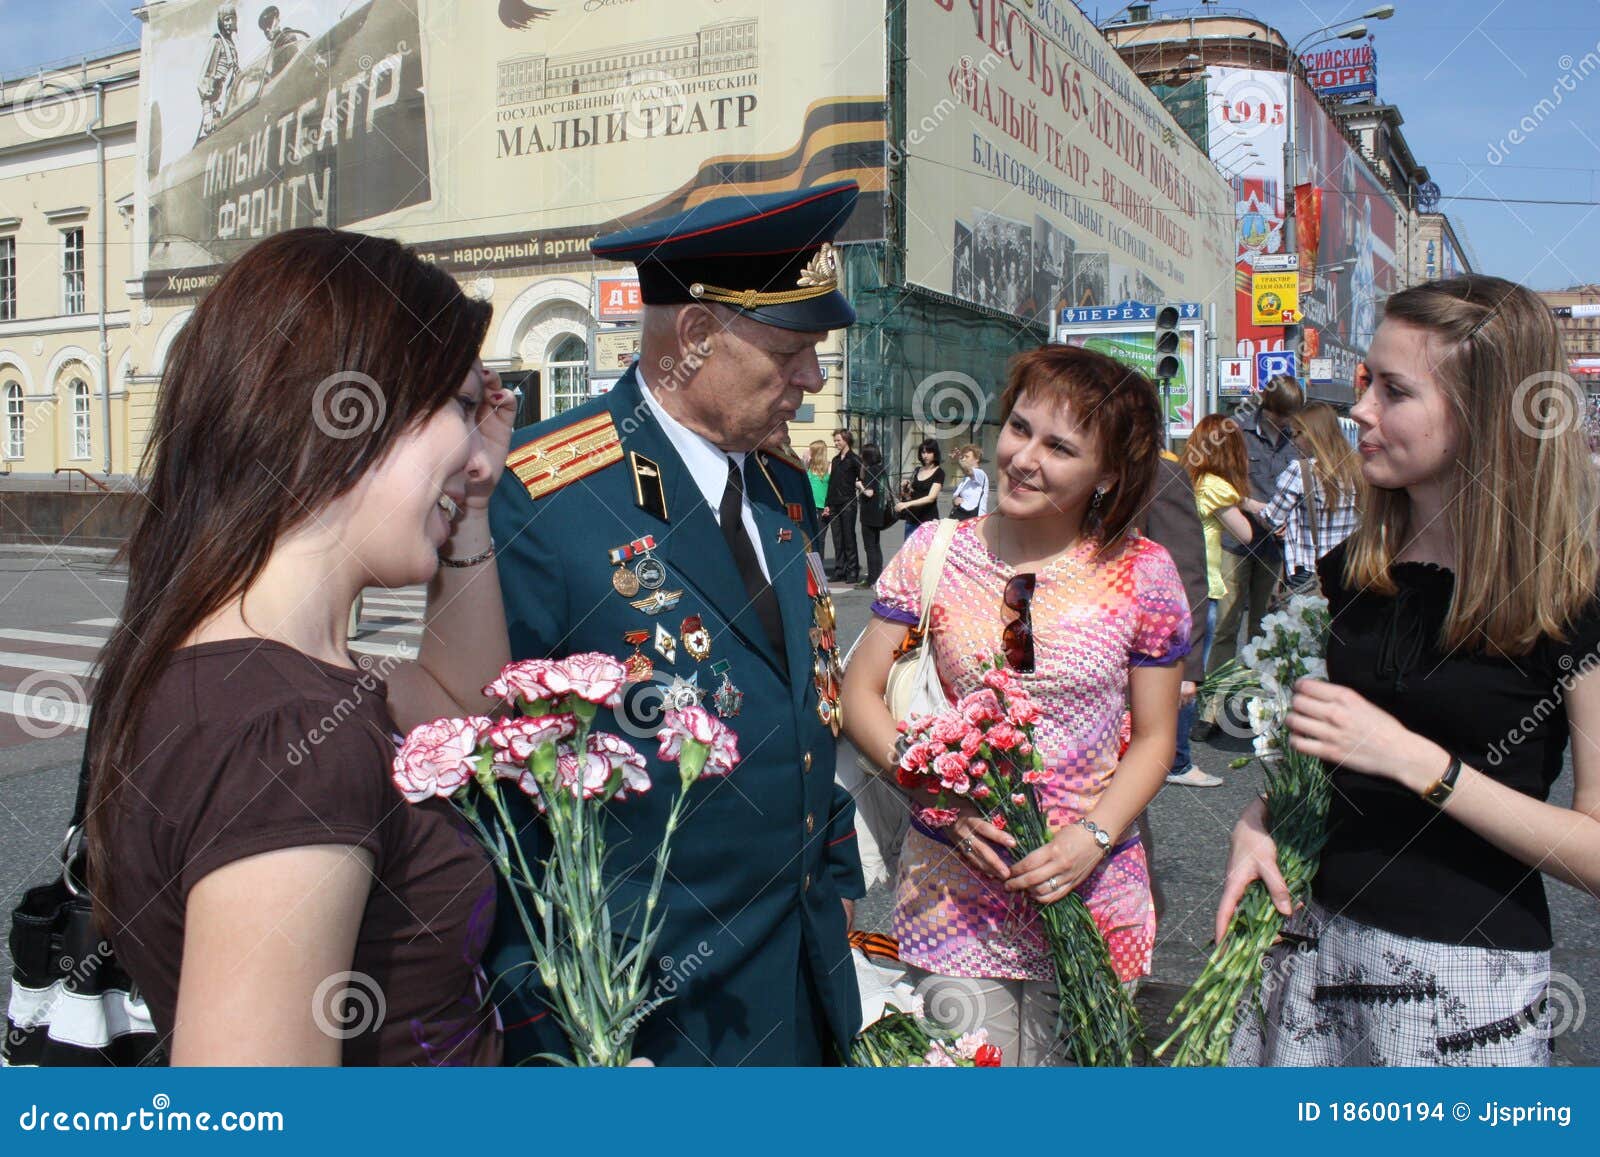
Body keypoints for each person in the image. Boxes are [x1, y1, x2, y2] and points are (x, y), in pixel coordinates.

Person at [86, 228, 514, 1065]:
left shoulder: (247, 670)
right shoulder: (288, 736)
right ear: (356, 410)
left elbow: (464, 704)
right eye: (462, 405)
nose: (475, 450)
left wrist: (475, 504)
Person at [475, 181, 867, 1066]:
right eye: (789, 351)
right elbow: (503, 795)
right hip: (654, 1022)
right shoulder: (547, 495)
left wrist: (835, 878)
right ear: (694, 338)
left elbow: (806, 705)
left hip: (803, 986)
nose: (810, 378)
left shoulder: (776, 489)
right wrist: (548, 1030)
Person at [1220, 274, 1600, 1066]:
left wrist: (1420, 762)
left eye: (1394, 390)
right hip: (1311, 951)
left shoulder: (1571, 596)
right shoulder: (1349, 572)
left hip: (1465, 985)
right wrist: (1263, 818)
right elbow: (1328, 766)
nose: (1360, 411)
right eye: (1366, 382)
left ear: (1486, 415)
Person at [841, 345, 1190, 1065]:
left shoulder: (1143, 573)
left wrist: (1091, 837)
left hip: (1090, 890)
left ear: (1109, 475)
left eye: (1060, 446)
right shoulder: (934, 550)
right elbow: (859, 692)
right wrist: (936, 799)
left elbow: (1156, 739)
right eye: (1019, 427)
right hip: (953, 888)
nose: (1024, 457)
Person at [1180, 415, 1255, 783]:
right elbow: (1243, 533)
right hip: (1204, 586)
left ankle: (1165, 754)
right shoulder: (1216, 486)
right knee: (1191, 676)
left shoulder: (1186, 479)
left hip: (1177, 584)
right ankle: (1179, 760)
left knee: (1171, 671)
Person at [1209, 375, 1302, 675]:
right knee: (1226, 624)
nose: (1286, 421)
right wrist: (1253, 506)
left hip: (1273, 547)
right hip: (1236, 543)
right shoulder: (1237, 432)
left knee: (1264, 626)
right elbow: (1218, 483)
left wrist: (1289, 518)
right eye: (1282, 414)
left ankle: (1254, 696)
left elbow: (1300, 487)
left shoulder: (1296, 438)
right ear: (1268, 408)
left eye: (1291, 415)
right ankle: (1215, 702)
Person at [1241, 401, 1362, 590]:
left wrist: (1245, 503)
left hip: (1311, 571)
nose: (1293, 440)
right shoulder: (1358, 467)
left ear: (1312, 434)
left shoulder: (1301, 470)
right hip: (1353, 567)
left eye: (1297, 433)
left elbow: (1272, 518)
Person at [195, 4, 239, 142]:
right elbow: (205, 77)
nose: (229, 23)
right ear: (221, 21)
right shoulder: (217, 42)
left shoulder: (231, 44)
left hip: (229, 102)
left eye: (231, 19)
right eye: (226, 19)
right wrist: (207, 112)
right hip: (217, 104)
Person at [823, 428, 863, 583]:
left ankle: (852, 571)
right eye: (835, 440)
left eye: (838, 440)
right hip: (834, 504)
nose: (836, 443)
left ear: (846, 440)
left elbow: (863, 477)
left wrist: (861, 487)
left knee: (849, 537)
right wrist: (827, 504)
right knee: (837, 538)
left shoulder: (854, 459)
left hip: (848, 503)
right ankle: (839, 569)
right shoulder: (835, 460)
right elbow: (831, 483)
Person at [855, 441, 891, 587]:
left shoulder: (871, 470)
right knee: (876, 545)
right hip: (879, 512)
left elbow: (869, 493)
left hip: (869, 513)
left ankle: (872, 578)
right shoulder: (880, 469)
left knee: (870, 547)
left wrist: (859, 486)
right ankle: (877, 576)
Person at [896, 438, 945, 528]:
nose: (925, 455)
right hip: (911, 519)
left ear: (935, 453)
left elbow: (931, 498)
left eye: (929, 452)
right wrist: (905, 488)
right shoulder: (917, 470)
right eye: (923, 452)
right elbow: (909, 495)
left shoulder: (939, 472)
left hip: (928, 521)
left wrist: (907, 504)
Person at [258, 5, 308, 80]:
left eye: (269, 24)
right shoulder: (274, 48)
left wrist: (270, 77)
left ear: (277, 21)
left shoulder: (286, 35)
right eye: (265, 29)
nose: (267, 30)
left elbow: (289, 65)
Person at [949, 443, 990, 520]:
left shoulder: (981, 474)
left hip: (975, 519)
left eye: (967, 457)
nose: (964, 459)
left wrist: (959, 459)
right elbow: (955, 497)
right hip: (961, 516)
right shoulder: (965, 479)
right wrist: (955, 500)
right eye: (963, 457)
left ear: (977, 458)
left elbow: (968, 470)